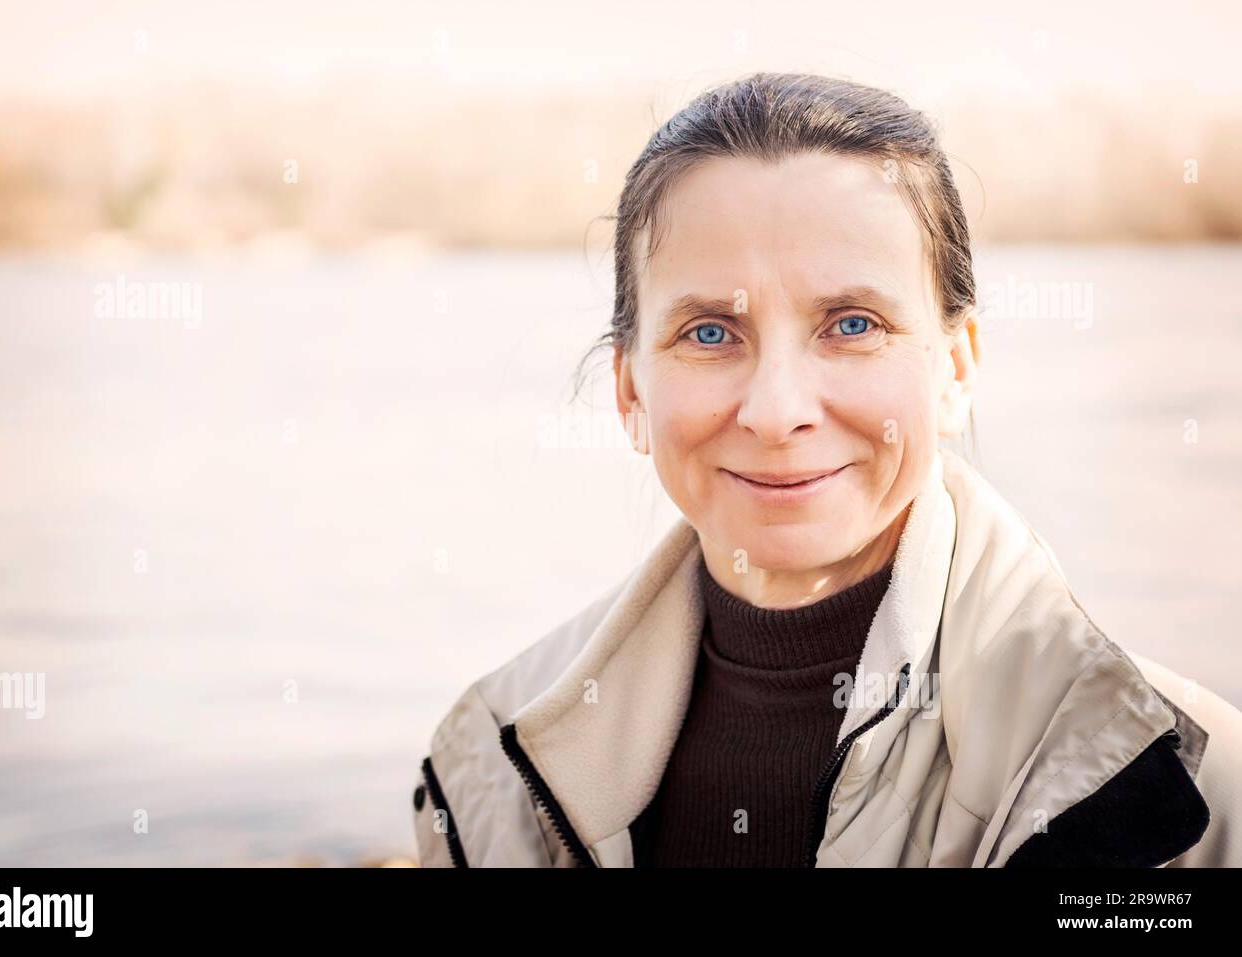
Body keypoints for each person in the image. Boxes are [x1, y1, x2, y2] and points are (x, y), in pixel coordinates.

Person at [410, 71, 1242, 867]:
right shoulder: (493, 768)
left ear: (955, 367)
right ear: (630, 389)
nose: (777, 412)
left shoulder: (1181, 788)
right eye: (709, 333)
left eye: (851, 324)